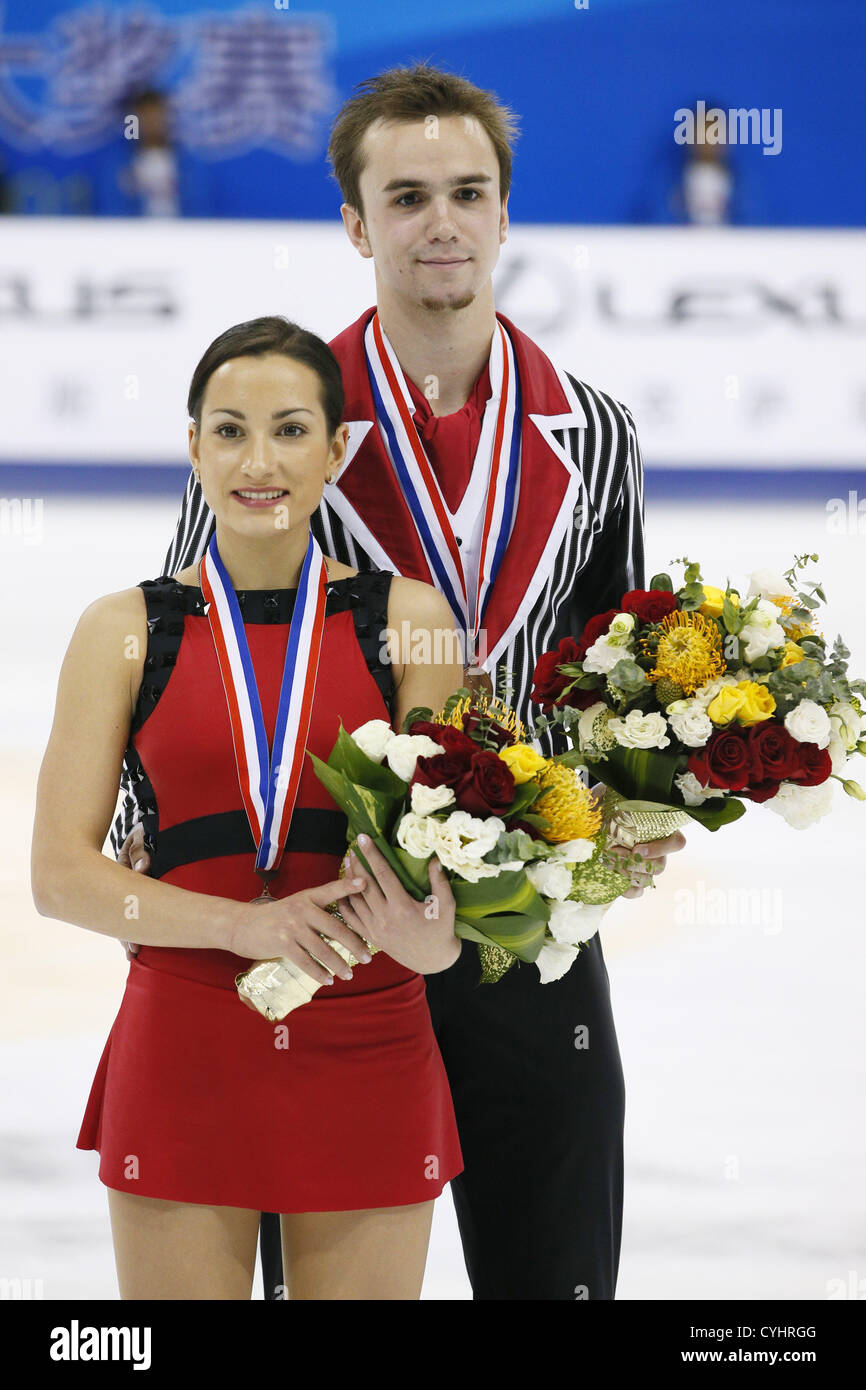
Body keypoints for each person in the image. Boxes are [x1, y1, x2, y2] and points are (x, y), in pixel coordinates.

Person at [112, 63, 687, 1300]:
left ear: (501, 212)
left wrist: (634, 815)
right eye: (408, 193)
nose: (441, 221)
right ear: (356, 223)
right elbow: (186, 652)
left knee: (556, 1265)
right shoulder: (278, 424)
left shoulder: (596, 433)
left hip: (520, 925)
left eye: (466, 192)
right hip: (328, 913)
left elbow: (611, 671)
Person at [30, 317, 468, 1300]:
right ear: (193, 446)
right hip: (185, 1040)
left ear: (337, 449)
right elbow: (59, 878)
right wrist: (243, 925)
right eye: (228, 430)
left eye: (288, 429)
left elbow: (443, 919)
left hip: (368, 1038)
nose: (256, 460)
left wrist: (422, 930)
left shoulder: (411, 625)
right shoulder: (122, 630)